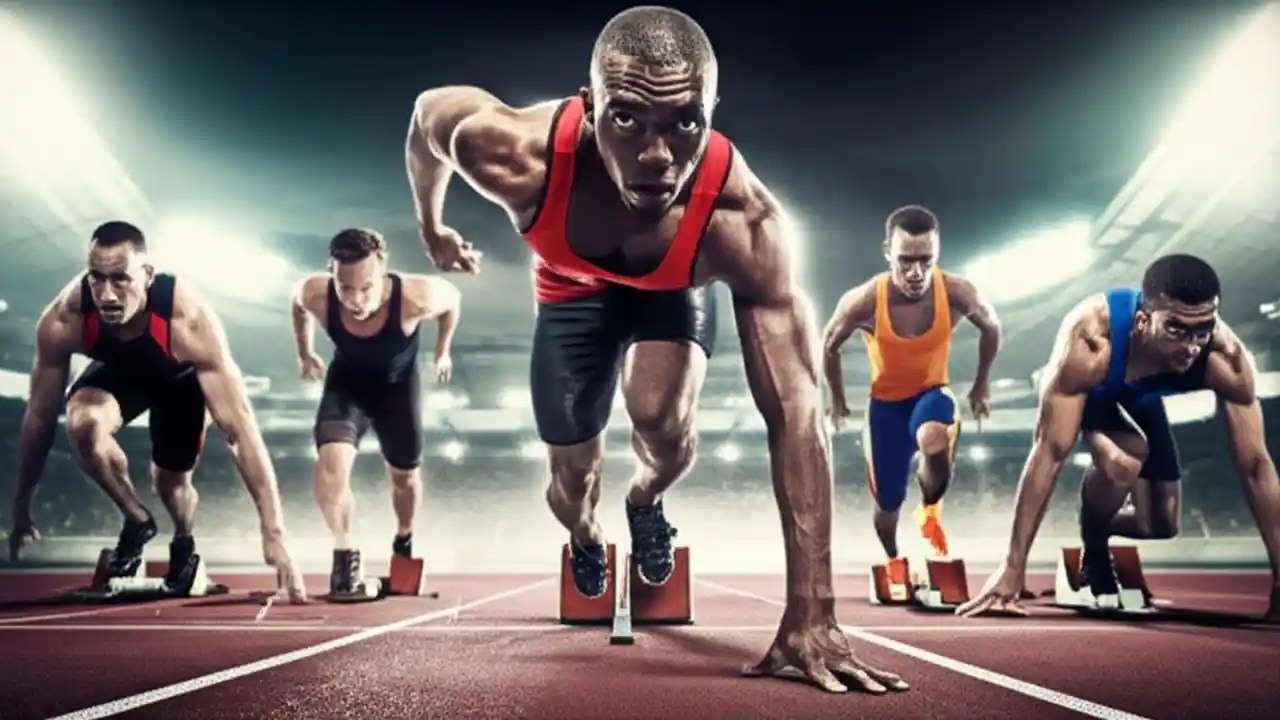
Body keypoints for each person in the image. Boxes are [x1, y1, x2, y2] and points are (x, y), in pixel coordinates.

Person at [403, 5, 909, 694]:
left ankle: (646, 502)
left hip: (672, 287)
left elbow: (797, 410)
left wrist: (813, 613)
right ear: (589, 107)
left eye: (684, 123)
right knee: (570, 484)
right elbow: (425, 119)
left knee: (662, 426)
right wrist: (431, 229)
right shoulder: (511, 152)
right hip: (569, 293)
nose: (656, 156)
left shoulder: (742, 220)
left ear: (711, 112)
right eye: (627, 119)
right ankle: (586, 536)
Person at [957, 254, 1280, 622]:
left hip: (1145, 399)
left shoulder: (1226, 359)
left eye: (1202, 331)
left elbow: (1256, 465)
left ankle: (1103, 523)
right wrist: (1013, 567)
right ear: (1142, 321)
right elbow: (1049, 452)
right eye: (1176, 330)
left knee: (1161, 525)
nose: (1191, 347)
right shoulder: (1091, 343)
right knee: (1124, 461)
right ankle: (1094, 545)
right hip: (1097, 391)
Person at [8, 221, 305, 603]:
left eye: (121, 279)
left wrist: (274, 532)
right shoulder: (66, 317)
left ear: (147, 275)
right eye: (97, 278)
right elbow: (39, 417)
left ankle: (183, 541)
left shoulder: (187, 319)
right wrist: (21, 506)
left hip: (178, 378)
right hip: (119, 375)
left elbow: (239, 430)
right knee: (82, 422)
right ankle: (136, 519)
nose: (107, 295)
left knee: (171, 483)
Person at [822, 205, 1000, 565]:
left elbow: (992, 327)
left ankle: (929, 506)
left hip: (932, 393)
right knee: (887, 505)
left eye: (926, 260)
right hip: (885, 408)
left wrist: (981, 384)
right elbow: (829, 346)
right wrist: (836, 399)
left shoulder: (956, 292)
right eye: (906, 260)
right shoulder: (865, 300)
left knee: (933, 439)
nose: (916, 273)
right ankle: (894, 559)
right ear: (888, 252)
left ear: (938, 253)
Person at [290, 228, 461, 598]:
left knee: (405, 477)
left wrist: (442, 351)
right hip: (347, 387)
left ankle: (404, 538)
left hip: (397, 391)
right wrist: (304, 353)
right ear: (332, 275)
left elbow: (453, 301)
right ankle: (345, 557)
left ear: (383, 269)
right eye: (345, 288)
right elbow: (297, 303)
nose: (356, 300)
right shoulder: (315, 293)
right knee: (330, 465)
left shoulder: (416, 297)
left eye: (366, 287)